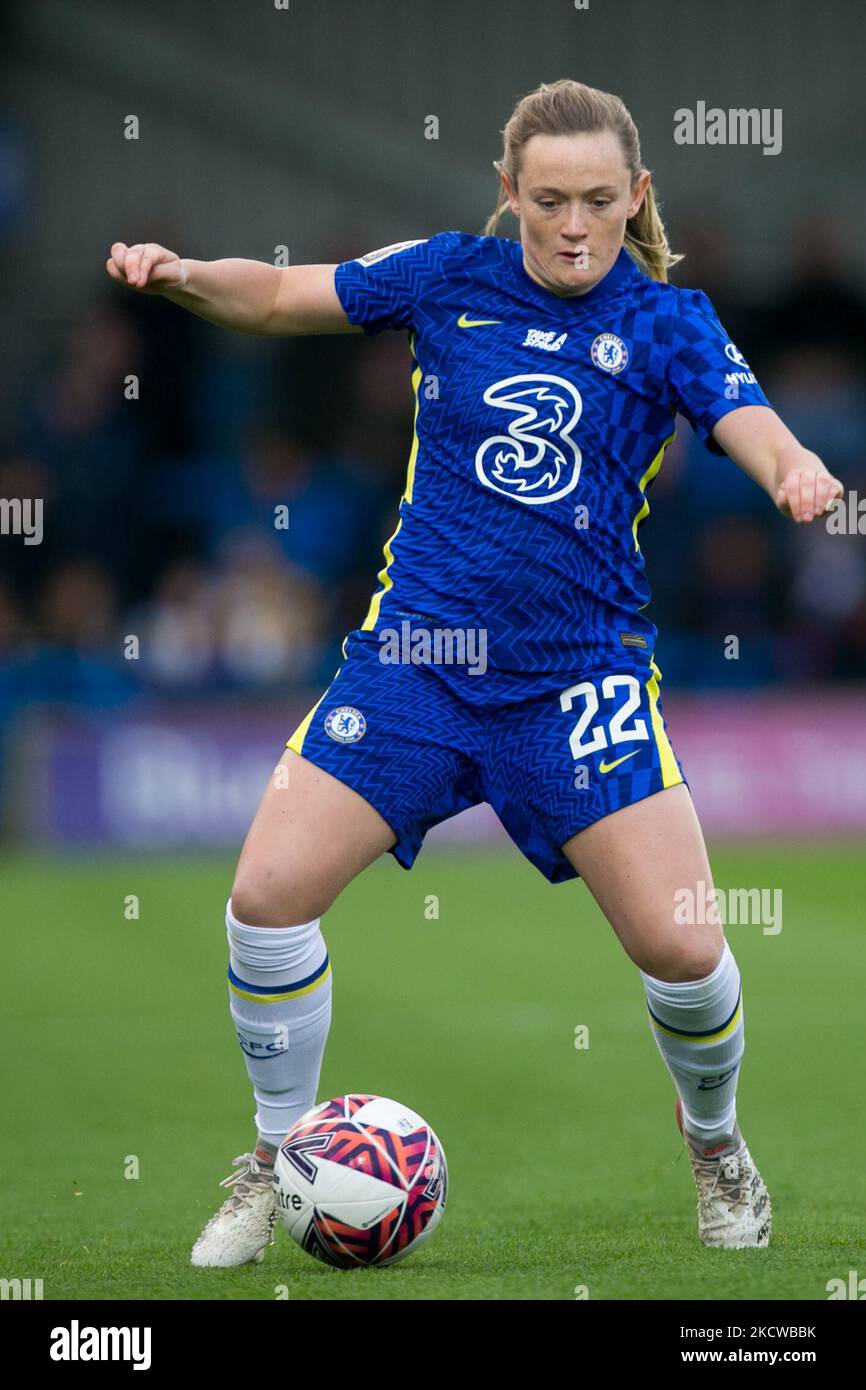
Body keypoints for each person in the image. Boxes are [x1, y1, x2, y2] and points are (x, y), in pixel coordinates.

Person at [106, 78, 843, 1267]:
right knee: (264, 898)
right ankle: (275, 1151)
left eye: (598, 201)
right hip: (416, 665)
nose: (570, 225)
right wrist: (186, 273)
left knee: (684, 947)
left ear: (633, 197)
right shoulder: (446, 272)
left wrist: (795, 470)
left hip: (576, 684)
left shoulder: (666, 321)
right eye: (546, 199)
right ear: (508, 194)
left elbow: (746, 416)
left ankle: (712, 1143)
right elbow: (289, 293)